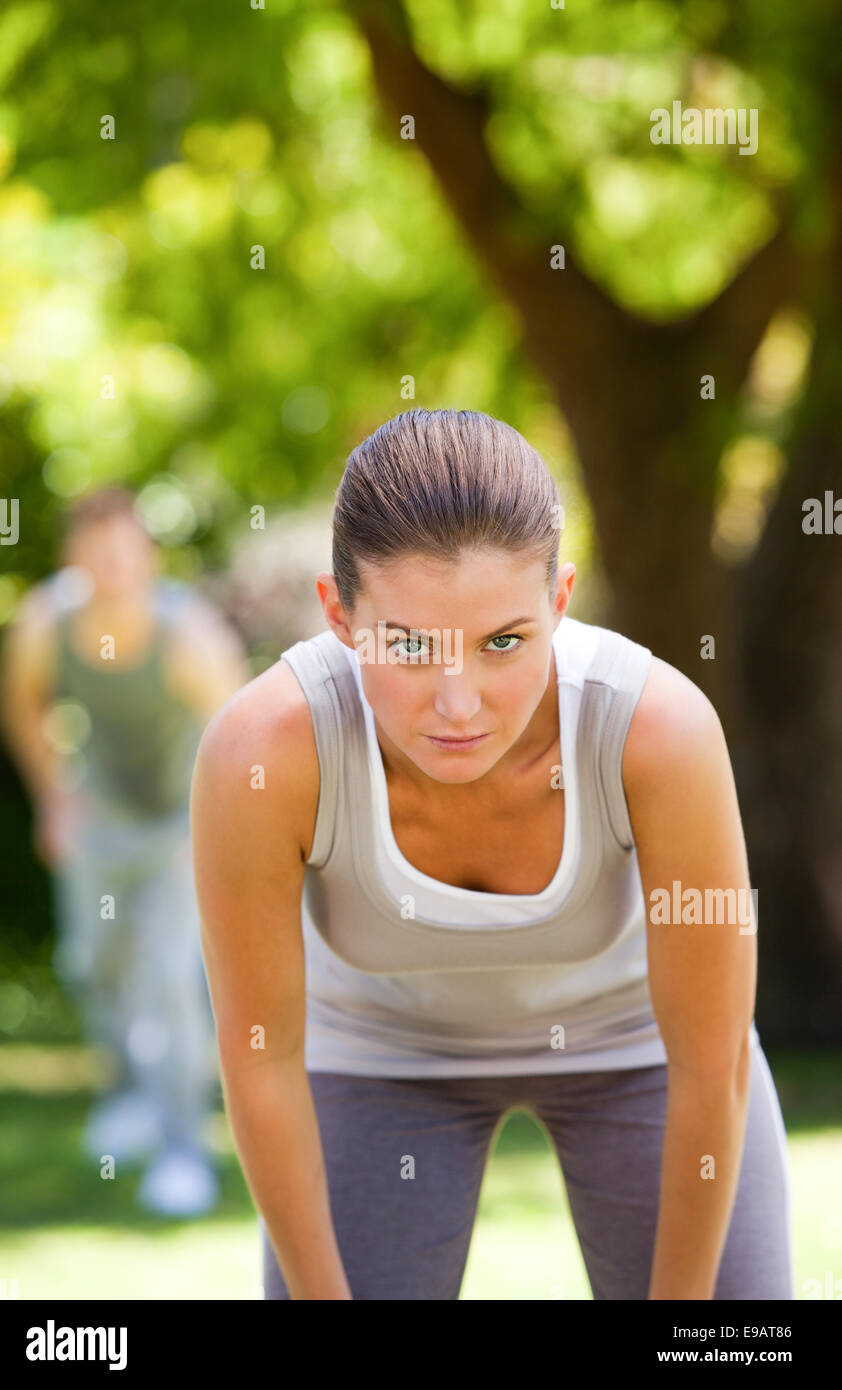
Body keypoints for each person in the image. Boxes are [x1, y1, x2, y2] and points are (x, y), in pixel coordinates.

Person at [191, 408, 794, 1299]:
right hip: (377, 1053)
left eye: (503, 642)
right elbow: (260, 1058)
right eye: (407, 645)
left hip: (641, 1050)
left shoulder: (657, 732)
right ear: (339, 615)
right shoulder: (262, 753)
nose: (459, 704)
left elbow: (711, 1061)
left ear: (560, 602)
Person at [0, 485, 249, 1217]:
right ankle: (130, 1098)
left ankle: (183, 1153)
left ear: (149, 556)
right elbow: (23, 701)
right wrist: (54, 798)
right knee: (94, 962)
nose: (110, 567)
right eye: (93, 553)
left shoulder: (188, 635)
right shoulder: (49, 621)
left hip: (181, 822)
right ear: (72, 558)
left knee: (169, 977)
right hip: (99, 820)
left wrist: (210, 836)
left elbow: (239, 738)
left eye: (124, 552)